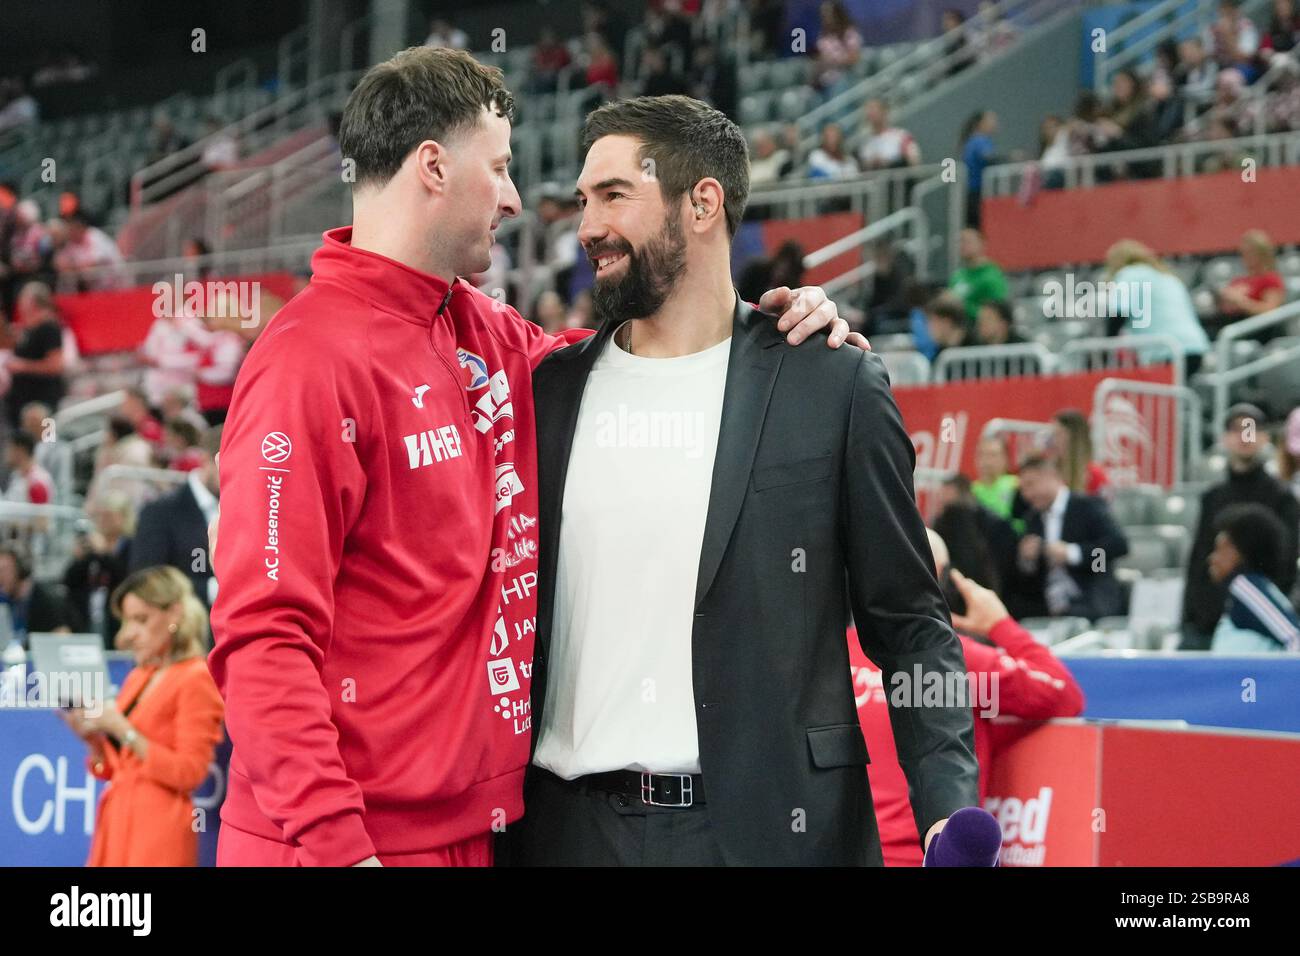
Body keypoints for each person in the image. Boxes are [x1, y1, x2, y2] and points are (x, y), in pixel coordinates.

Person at [207, 48, 860, 870]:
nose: (516, 199)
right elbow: (264, 638)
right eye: (500, 168)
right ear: (434, 167)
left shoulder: (485, 333)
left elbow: (642, 358)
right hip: (343, 844)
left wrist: (771, 328)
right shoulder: (305, 360)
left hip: (477, 833)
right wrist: (338, 847)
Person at [506, 94, 976, 867]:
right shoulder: (545, 393)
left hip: (775, 835)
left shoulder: (831, 382)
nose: (587, 226)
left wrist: (946, 807)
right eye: (584, 200)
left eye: (614, 195)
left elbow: (910, 623)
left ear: (702, 203)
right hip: (567, 836)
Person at [852, 529, 1084, 865]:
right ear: (940, 579)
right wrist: (999, 624)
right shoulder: (960, 662)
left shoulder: (829, 658)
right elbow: (1063, 694)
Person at [58, 566, 224, 866]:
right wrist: (93, 740)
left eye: (141, 619)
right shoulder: (139, 676)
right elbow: (112, 768)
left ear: (174, 613)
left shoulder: (196, 678)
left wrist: (123, 729)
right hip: (117, 823)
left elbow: (190, 773)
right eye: (127, 620)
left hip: (158, 832)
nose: (130, 634)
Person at [1183, 404, 1300, 647]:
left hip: (1261, 620)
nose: (1245, 437)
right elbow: (1199, 559)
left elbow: (1287, 560)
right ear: (1224, 438)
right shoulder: (1212, 498)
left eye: (1251, 429)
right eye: (1237, 430)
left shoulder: (1282, 497)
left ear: (1265, 438)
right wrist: (1192, 616)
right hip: (1209, 621)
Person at [1008, 455, 1130, 621]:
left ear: (1051, 476)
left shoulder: (1087, 506)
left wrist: (1073, 553)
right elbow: (1030, 578)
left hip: (1090, 597)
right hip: (1047, 605)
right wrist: (1028, 560)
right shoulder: (1032, 519)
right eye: (1022, 489)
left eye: (1031, 485)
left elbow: (1116, 547)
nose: (1026, 495)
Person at [130, 426, 220, 609]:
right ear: (206, 460)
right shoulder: (159, 512)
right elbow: (147, 579)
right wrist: (213, 589)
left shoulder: (250, 508)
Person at [1102, 239, 1210, 374]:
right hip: (1194, 346)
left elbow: (1118, 313)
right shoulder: (1168, 277)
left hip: (1165, 350)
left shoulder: (1129, 274)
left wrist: (1105, 348)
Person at [1206, 504, 1300, 652]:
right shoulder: (1251, 589)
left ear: (1241, 552)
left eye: (1220, 549)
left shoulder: (1245, 586)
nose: (1212, 559)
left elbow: (1295, 639)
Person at [63, 491, 134, 647]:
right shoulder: (92, 548)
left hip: (117, 614)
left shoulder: (130, 546)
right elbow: (69, 580)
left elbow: (127, 578)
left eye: (109, 516)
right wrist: (80, 559)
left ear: (123, 518)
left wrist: (104, 554)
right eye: (101, 516)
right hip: (89, 614)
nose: (103, 521)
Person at [3, 281, 67, 428]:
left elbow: (56, 366)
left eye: (23, 299)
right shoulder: (28, 328)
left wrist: (21, 366)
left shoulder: (50, 328)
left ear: (33, 302)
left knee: (46, 436)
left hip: (43, 400)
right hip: (22, 399)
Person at [1215, 229, 1286, 335]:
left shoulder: (1271, 279)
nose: (1246, 257)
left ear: (1262, 254)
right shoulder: (1238, 280)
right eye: (1243, 253)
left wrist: (1241, 301)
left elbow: (1270, 311)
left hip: (1258, 332)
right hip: (1233, 326)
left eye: (1251, 253)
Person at [0, 543, 76, 641]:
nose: (0, 576)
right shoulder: (5, 597)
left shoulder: (46, 599)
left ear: (21, 570)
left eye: (4, 570)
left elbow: (63, 636)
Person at [1048, 408, 1110, 498]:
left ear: (1075, 438)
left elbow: (1105, 503)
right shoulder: (1049, 470)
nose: (1053, 441)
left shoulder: (1094, 475)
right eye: (1053, 434)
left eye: (1058, 434)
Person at [949, 228, 1008, 320]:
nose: (962, 245)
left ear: (982, 244)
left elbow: (997, 314)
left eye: (968, 241)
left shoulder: (991, 276)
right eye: (960, 241)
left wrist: (961, 305)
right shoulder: (958, 275)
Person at [856, 99, 920, 171]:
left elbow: (914, 162)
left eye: (874, 109)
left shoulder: (901, 136)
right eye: (869, 110)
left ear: (884, 112)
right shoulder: (865, 144)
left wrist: (889, 163)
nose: (871, 113)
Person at [959, 111, 998, 227]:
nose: (995, 124)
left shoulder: (973, 140)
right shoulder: (979, 140)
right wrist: (1010, 157)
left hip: (973, 195)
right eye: (991, 120)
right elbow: (988, 157)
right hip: (977, 195)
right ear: (981, 123)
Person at [971, 434, 1019, 522]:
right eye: (981, 454)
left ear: (1006, 459)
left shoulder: (1017, 486)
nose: (986, 460)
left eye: (992, 455)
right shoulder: (970, 491)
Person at [3, 431, 55, 505]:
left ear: (19, 451)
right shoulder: (16, 476)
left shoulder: (37, 482)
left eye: (9, 448)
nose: (6, 453)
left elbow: (40, 512)